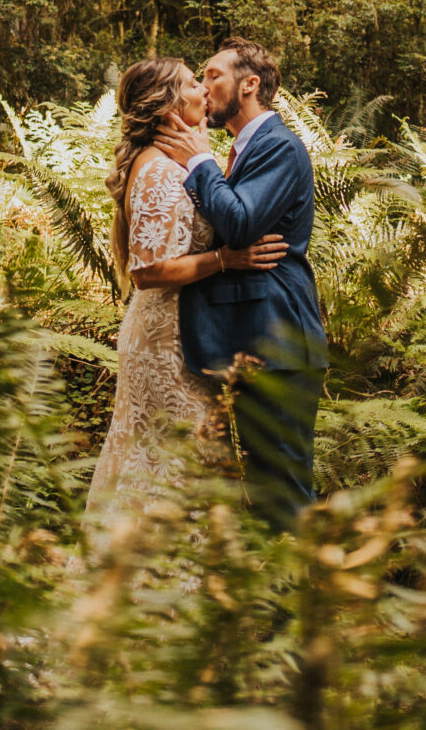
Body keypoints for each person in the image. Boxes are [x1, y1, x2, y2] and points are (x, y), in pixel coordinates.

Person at [87, 56, 287, 519]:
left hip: (183, 331)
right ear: (169, 104)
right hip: (165, 339)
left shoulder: (171, 161)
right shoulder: (158, 170)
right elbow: (148, 271)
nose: (203, 90)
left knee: (175, 459)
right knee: (177, 460)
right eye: (193, 83)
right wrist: (226, 259)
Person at [155, 37, 327, 528]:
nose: (204, 88)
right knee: (264, 487)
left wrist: (200, 161)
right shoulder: (244, 148)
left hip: (277, 340)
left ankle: (311, 598)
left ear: (250, 84)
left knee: (284, 488)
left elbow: (240, 223)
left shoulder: (277, 146)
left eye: (213, 75)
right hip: (252, 341)